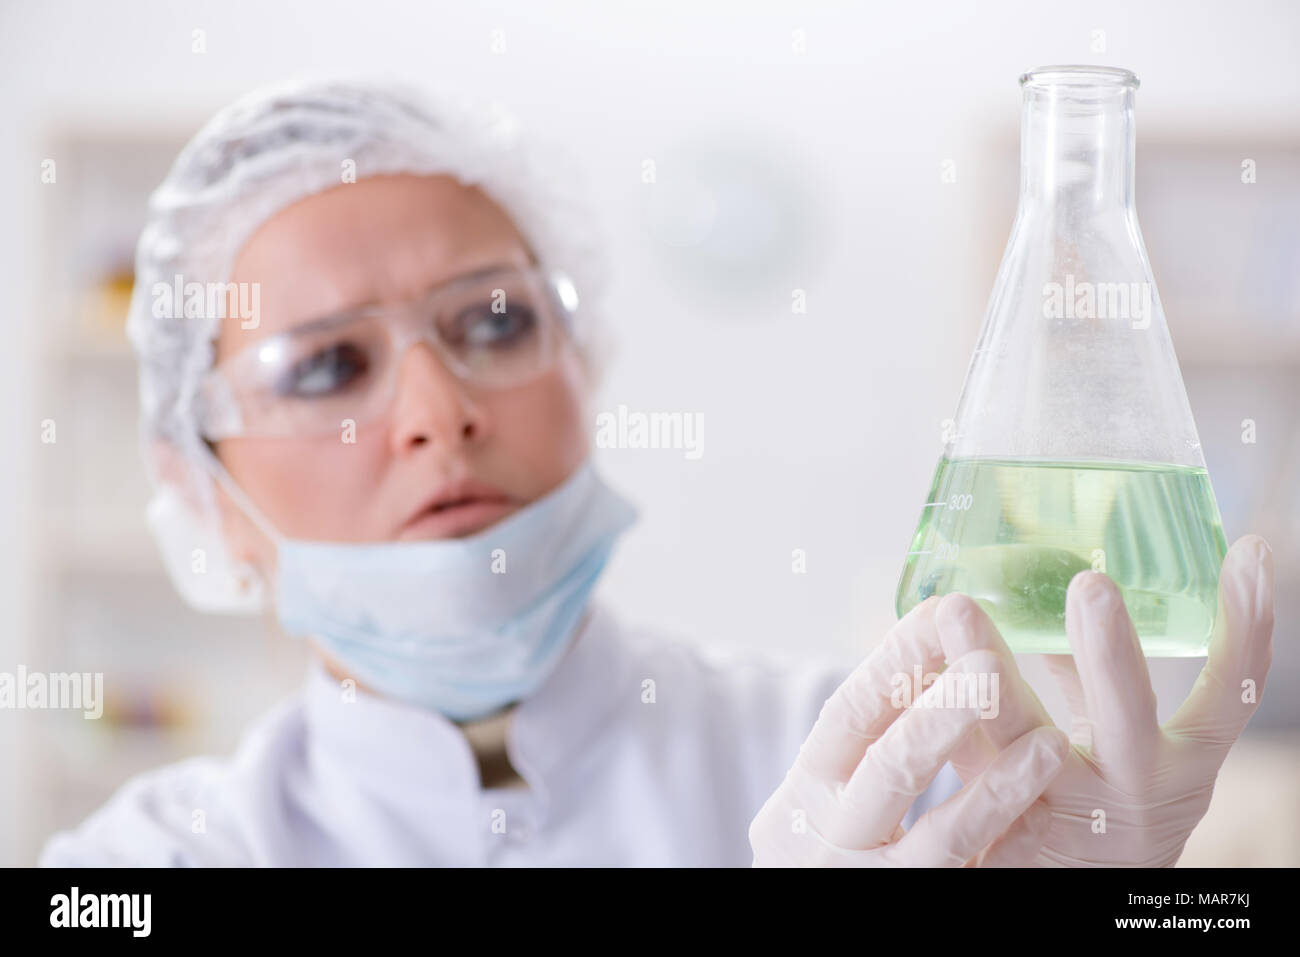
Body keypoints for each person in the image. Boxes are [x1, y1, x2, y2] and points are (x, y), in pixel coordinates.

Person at [38, 79, 1275, 868]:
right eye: (322, 369)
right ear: (204, 498)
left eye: (492, 322)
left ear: (586, 361)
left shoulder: (874, 767)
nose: (440, 414)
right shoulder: (147, 868)